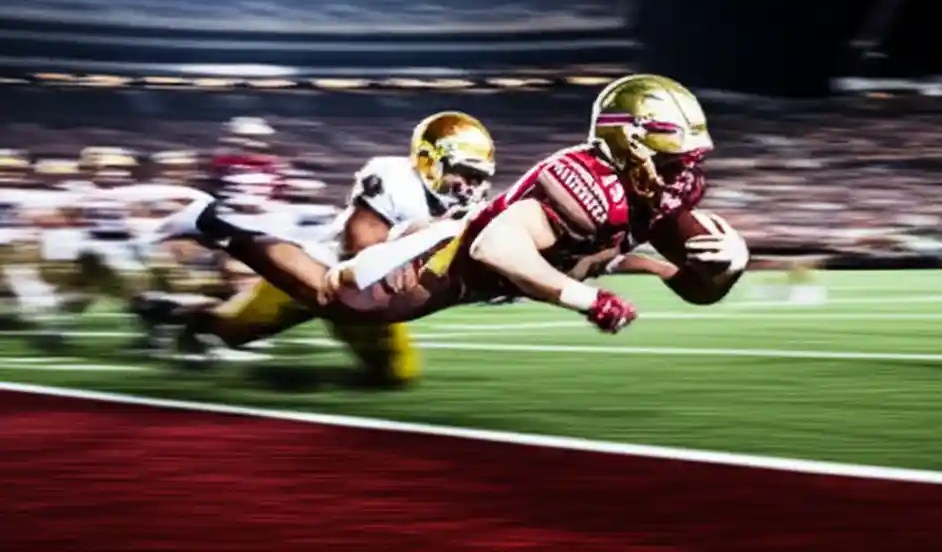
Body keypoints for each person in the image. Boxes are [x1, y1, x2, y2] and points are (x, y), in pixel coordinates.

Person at [154, 74, 748, 339]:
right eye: (676, 161)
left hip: (488, 273)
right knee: (343, 298)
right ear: (630, 146)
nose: (686, 176)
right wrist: (585, 299)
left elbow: (697, 288)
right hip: (455, 258)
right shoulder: (579, 184)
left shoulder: (662, 192)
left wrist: (729, 264)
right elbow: (495, 244)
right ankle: (215, 223)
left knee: (347, 312)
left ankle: (208, 291)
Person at [148, 111, 498, 384]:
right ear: (429, 160)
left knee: (395, 374)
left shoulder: (461, 209)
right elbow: (361, 251)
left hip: (366, 301)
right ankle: (183, 315)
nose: (470, 187)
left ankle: (184, 303)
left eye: (479, 178)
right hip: (324, 271)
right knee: (231, 330)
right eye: (464, 173)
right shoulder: (393, 179)